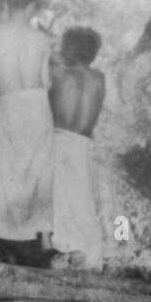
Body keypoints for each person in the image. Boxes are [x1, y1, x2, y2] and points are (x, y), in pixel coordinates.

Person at [0, 0, 54, 267]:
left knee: (3, 169)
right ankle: (46, 239)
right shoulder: (43, 38)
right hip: (37, 104)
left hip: (8, 103)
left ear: (6, 4)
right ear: (33, 6)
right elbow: (46, 81)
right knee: (41, 171)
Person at [48, 26, 106, 270]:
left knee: (60, 198)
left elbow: (47, 58)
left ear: (70, 49)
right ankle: (90, 255)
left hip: (60, 138)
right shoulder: (99, 78)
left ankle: (73, 250)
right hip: (83, 142)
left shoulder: (60, 73)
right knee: (82, 199)